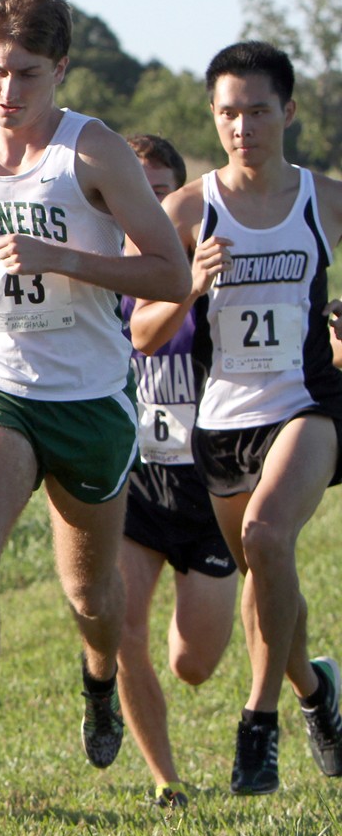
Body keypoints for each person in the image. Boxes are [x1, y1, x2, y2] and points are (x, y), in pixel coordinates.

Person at [0, 0, 191, 835]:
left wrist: (62, 255)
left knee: (92, 598)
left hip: (91, 400)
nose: (8, 92)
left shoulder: (92, 152)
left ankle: (98, 676)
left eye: (27, 74)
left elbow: (171, 275)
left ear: (60, 69)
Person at [131, 41, 342, 795]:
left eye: (257, 110)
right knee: (265, 576)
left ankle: (260, 722)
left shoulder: (326, 197)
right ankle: (317, 692)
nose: (242, 126)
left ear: (287, 110)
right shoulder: (188, 208)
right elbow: (141, 332)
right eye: (228, 112)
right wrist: (187, 285)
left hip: (309, 403)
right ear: (213, 118)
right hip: (220, 423)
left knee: (266, 536)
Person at [111, 133, 238, 809]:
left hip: (212, 487)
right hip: (136, 485)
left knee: (193, 664)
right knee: (122, 625)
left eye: (159, 191)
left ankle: (314, 676)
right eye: (133, 189)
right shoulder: (105, 275)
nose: (145, 203)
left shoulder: (215, 271)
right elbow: (138, 334)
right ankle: (166, 779)